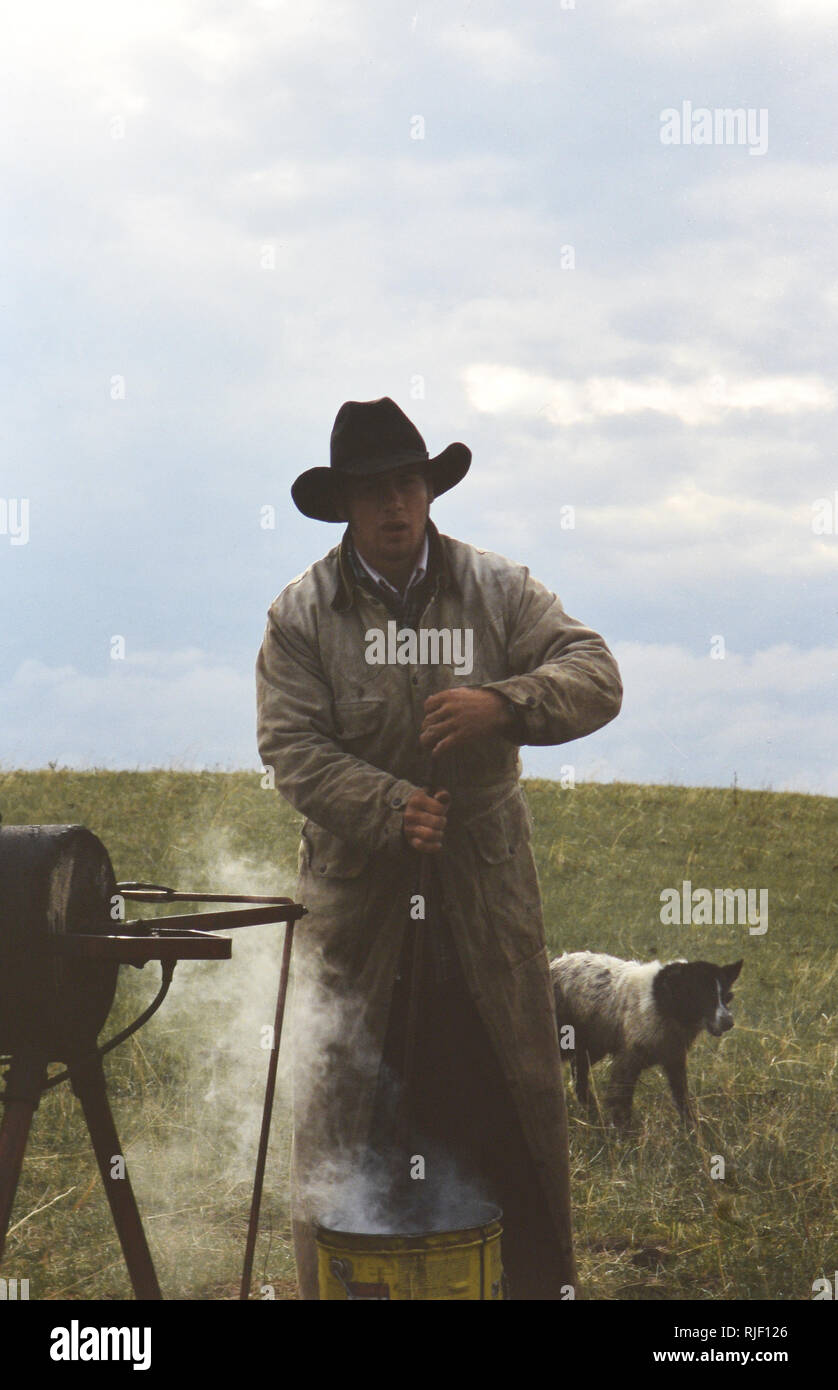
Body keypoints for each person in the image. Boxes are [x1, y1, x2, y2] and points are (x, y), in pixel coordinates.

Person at [255, 396, 623, 1299]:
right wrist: (387, 806)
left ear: (430, 490)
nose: (394, 506)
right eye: (373, 491)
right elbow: (289, 748)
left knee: (503, 1109)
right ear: (343, 504)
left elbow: (596, 674)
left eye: (407, 485)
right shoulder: (301, 616)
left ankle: (526, 1288)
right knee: (357, 1118)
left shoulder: (498, 589)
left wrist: (505, 704)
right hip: (359, 915)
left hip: (483, 911)